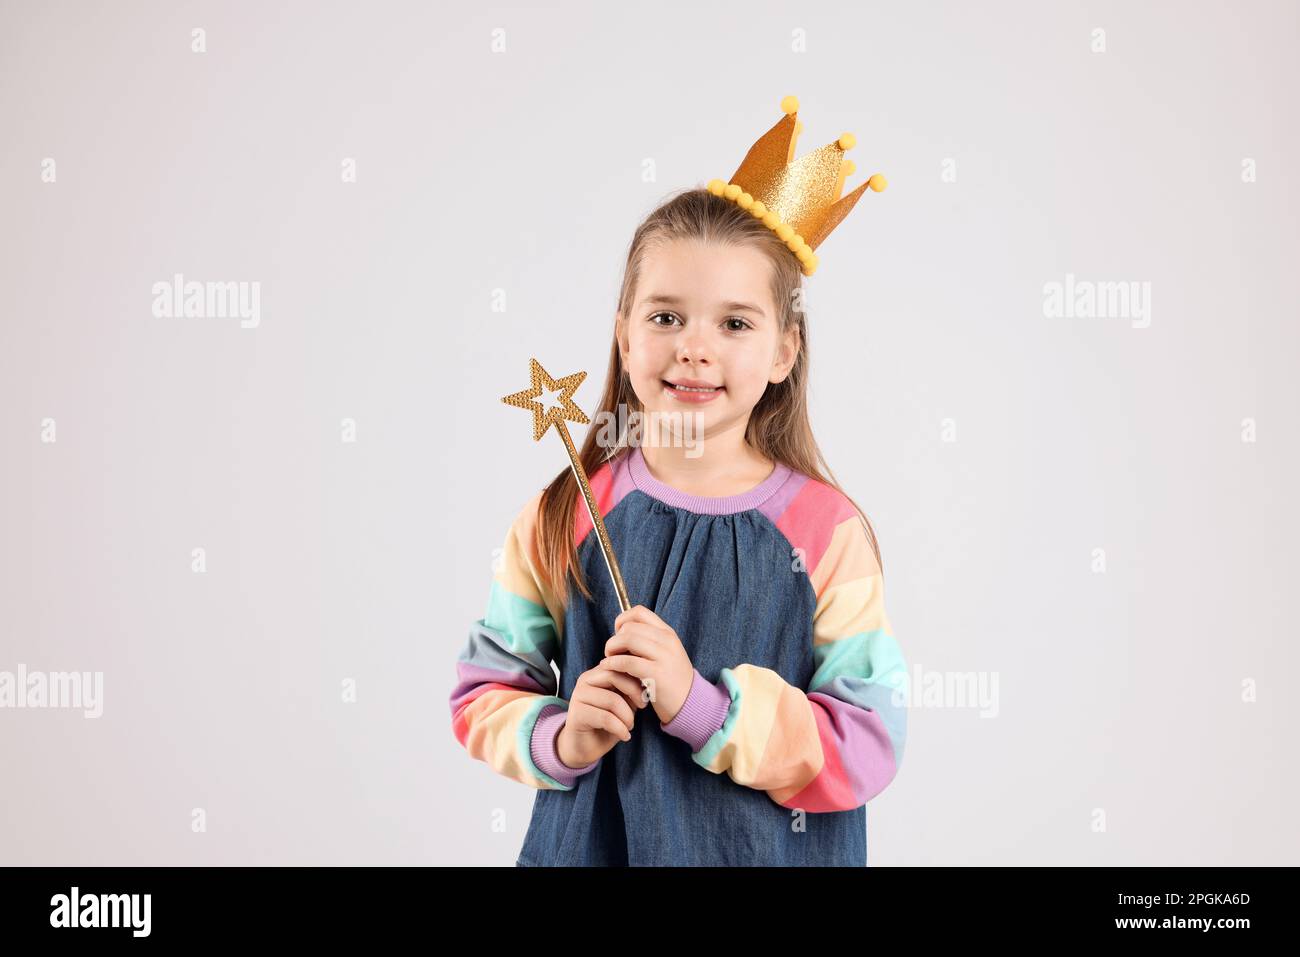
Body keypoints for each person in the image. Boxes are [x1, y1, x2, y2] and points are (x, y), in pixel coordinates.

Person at [449, 96, 906, 866]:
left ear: (785, 351)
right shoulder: (565, 514)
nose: (695, 348)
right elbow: (483, 692)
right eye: (666, 317)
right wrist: (562, 734)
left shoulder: (827, 533)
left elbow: (869, 743)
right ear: (624, 330)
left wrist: (702, 705)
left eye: (734, 323)